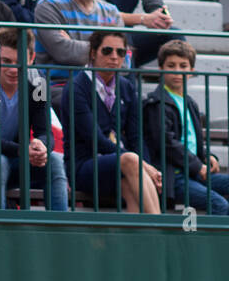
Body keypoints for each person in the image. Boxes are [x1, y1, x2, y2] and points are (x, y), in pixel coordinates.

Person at [142, 39, 229, 215]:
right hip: (173, 176)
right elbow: (166, 142)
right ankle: (216, 242)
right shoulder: (157, 102)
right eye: (171, 66)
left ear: (191, 71)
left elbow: (192, 141)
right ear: (161, 69)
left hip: (193, 172)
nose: (177, 71)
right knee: (219, 205)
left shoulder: (189, 102)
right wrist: (198, 166)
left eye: (183, 66)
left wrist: (207, 157)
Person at [66, 26, 161, 212]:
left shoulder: (126, 86)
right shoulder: (76, 87)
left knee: (129, 184)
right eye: (107, 50)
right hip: (84, 167)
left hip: (121, 166)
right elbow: (95, 140)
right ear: (93, 53)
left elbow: (136, 135)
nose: (114, 57)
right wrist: (141, 164)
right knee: (131, 160)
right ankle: (161, 228)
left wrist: (147, 166)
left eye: (120, 52)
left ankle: (145, 237)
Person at [0, 27, 69, 211]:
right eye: (6, 61)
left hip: (16, 157)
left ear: (32, 58)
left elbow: (45, 131)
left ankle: (61, 229)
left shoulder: (39, 83)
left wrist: (41, 146)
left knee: (54, 161)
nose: (12, 69)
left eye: (19, 63)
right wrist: (23, 150)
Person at [32, 0, 123, 83]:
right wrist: (105, 51)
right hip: (56, 86)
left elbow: (124, 60)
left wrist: (75, 45)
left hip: (100, 88)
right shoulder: (49, 6)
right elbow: (63, 52)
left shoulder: (112, 13)